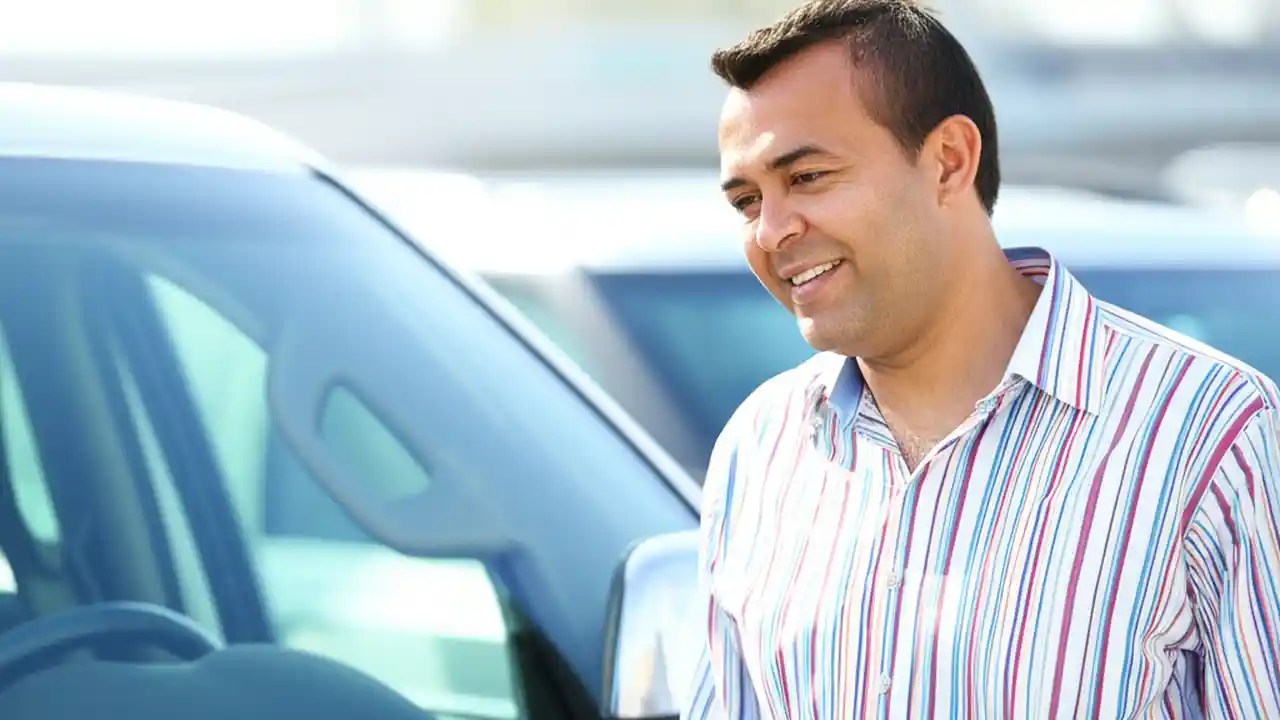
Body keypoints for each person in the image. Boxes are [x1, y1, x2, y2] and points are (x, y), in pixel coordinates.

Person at [681, 1, 1280, 717]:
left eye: (807, 177)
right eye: (748, 200)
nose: (771, 232)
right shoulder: (760, 448)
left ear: (948, 161)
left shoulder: (1213, 435)